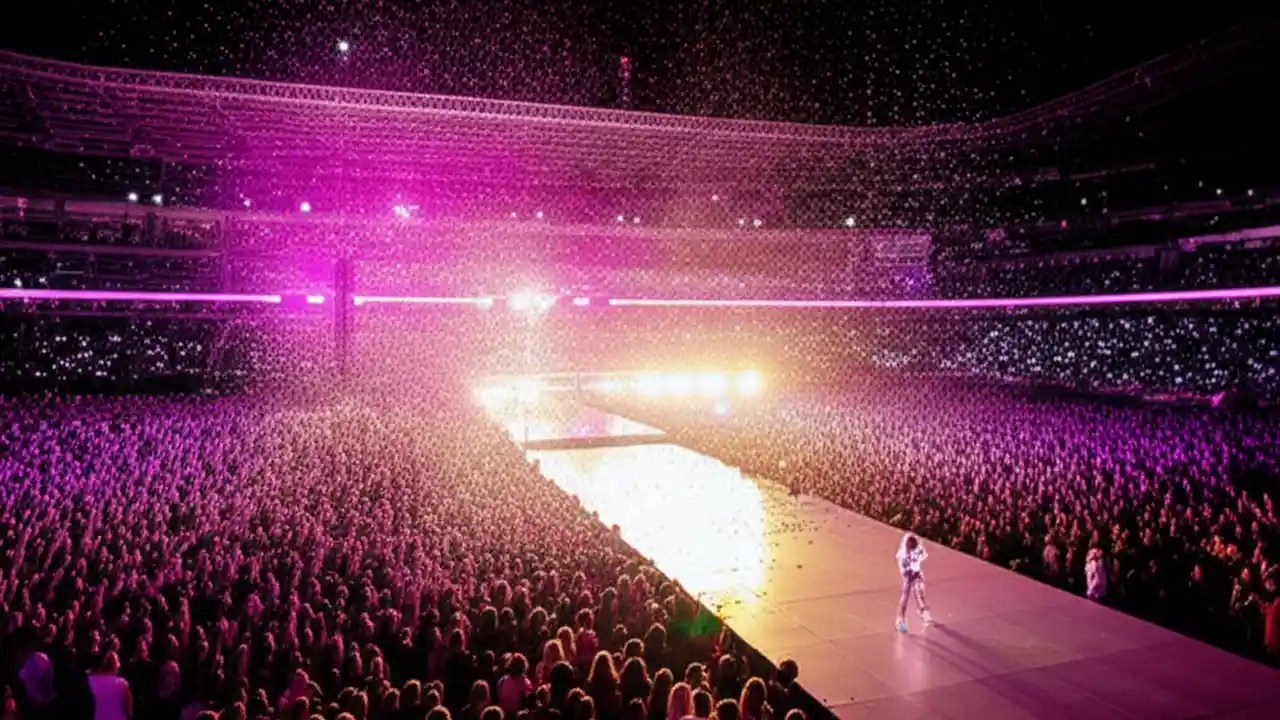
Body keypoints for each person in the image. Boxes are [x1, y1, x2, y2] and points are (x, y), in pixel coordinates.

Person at [895, 533, 933, 633]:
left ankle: (924, 612)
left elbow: (922, 556)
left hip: (915, 574)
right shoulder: (902, 555)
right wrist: (909, 572)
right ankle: (900, 620)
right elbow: (903, 569)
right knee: (905, 597)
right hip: (907, 576)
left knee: (920, 593)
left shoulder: (916, 551)